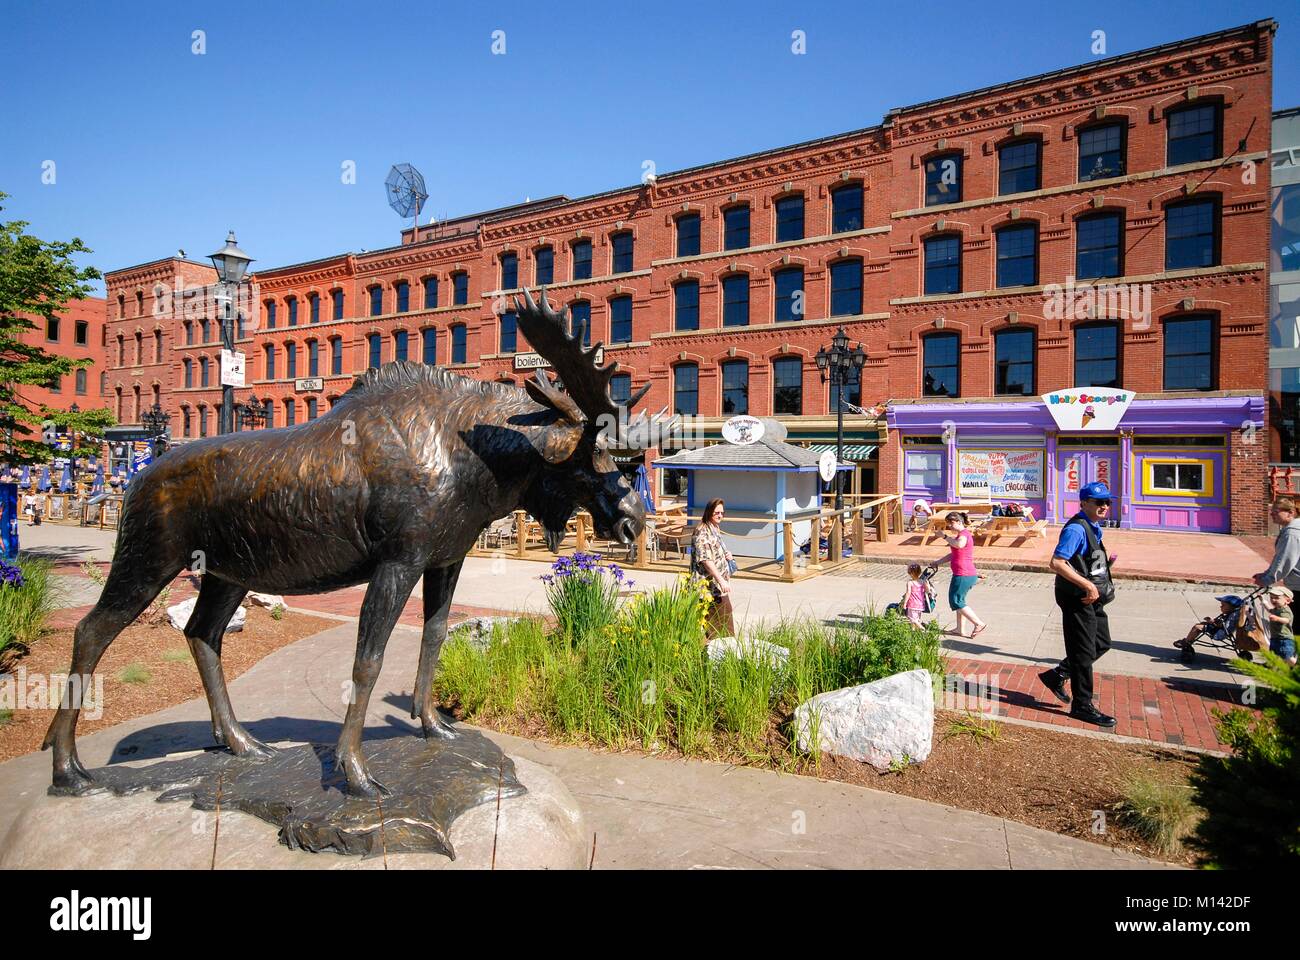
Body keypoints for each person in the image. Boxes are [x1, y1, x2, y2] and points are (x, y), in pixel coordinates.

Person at [1038, 482, 1119, 727]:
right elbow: (1057, 562)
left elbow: (1082, 561)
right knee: (1083, 653)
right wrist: (1088, 585)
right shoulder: (1076, 528)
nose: (1104, 506)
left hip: (1091, 596)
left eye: (1107, 502)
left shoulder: (1095, 527)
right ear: (1084, 503)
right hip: (1077, 597)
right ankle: (1082, 706)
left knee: (1101, 643)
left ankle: (1058, 674)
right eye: (1099, 502)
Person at [936, 512, 986, 638]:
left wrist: (944, 536)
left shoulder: (963, 535)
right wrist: (937, 562)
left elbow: (959, 545)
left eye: (951, 523)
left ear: (959, 522)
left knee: (956, 601)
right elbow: (954, 554)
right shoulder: (960, 535)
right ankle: (960, 629)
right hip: (964, 573)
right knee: (960, 601)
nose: (950, 527)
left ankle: (978, 623)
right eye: (948, 524)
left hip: (963, 574)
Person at [691, 497, 736, 638]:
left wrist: (726, 555)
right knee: (716, 629)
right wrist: (721, 580)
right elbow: (705, 560)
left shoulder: (714, 528)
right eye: (716, 512)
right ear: (709, 512)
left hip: (718, 589)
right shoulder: (702, 531)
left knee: (725, 625)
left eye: (722, 513)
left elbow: (714, 552)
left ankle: (724, 654)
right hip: (708, 589)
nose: (720, 515)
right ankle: (717, 654)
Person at [1255, 498, 1300, 594]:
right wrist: (1266, 574)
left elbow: (1286, 560)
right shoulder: (1290, 530)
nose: (1271, 514)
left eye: (1276, 512)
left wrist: (1267, 580)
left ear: (1290, 513)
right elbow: (1279, 557)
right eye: (1271, 511)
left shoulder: (1292, 533)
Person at [1174, 595, 1242, 652]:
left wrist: (1211, 622)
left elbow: (1224, 626)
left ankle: (1187, 642)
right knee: (1202, 624)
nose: (1220, 607)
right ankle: (1188, 640)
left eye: (1223, 605)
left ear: (1231, 608)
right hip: (1221, 630)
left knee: (1197, 627)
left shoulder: (1231, 617)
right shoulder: (1232, 614)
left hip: (1219, 633)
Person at [1265, 585, 1297, 665]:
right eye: (1271, 597)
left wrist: (1277, 618)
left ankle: (1296, 666)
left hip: (1284, 639)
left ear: (1288, 601)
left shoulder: (1285, 611)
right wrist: (1263, 601)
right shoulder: (1277, 608)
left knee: (1287, 656)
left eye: (1276, 598)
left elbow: (1287, 620)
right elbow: (1269, 609)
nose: (1273, 600)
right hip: (1275, 638)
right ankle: (1276, 668)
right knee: (1275, 655)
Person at [902, 562, 935, 629]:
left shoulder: (910, 583)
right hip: (920, 605)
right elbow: (927, 591)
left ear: (910, 573)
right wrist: (928, 586)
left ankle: (923, 629)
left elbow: (908, 593)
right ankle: (913, 631)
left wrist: (905, 603)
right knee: (917, 619)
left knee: (912, 619)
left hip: (912, 605)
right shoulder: (922, 582)